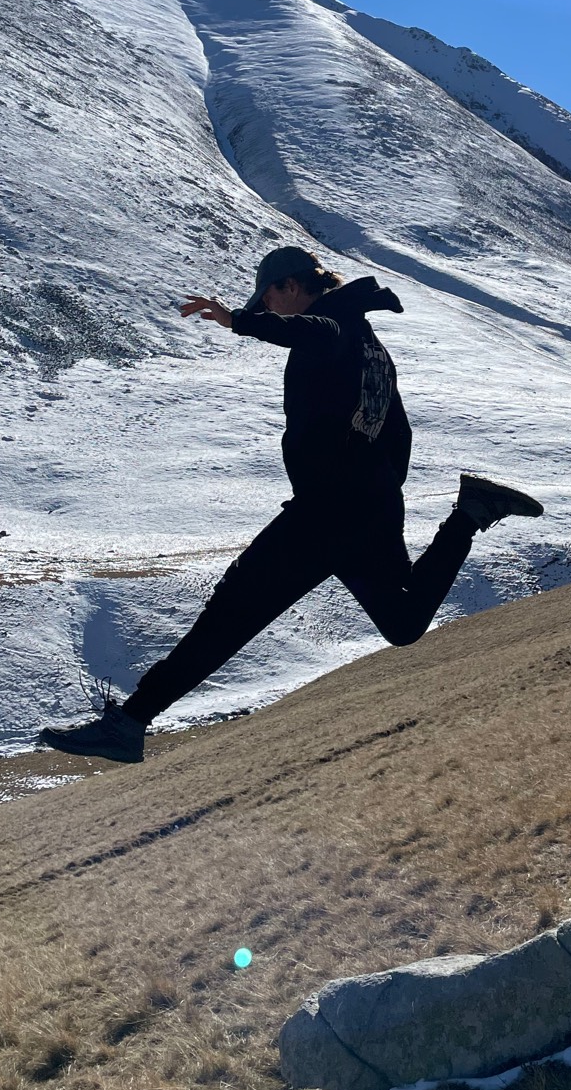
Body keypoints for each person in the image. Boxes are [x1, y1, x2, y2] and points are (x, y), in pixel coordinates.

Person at [39, 245, 543, 762]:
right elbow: (399, 429)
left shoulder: (331, 327)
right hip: (367, 507)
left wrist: (237, 321)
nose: (269, 309)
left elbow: (307, 332)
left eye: (271, 297)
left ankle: (127, 725)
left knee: (229, 614)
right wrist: (382, 493)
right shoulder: (367, 342)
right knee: (403, 621)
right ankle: (471, 513)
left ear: (293, 287)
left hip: (324, 514)